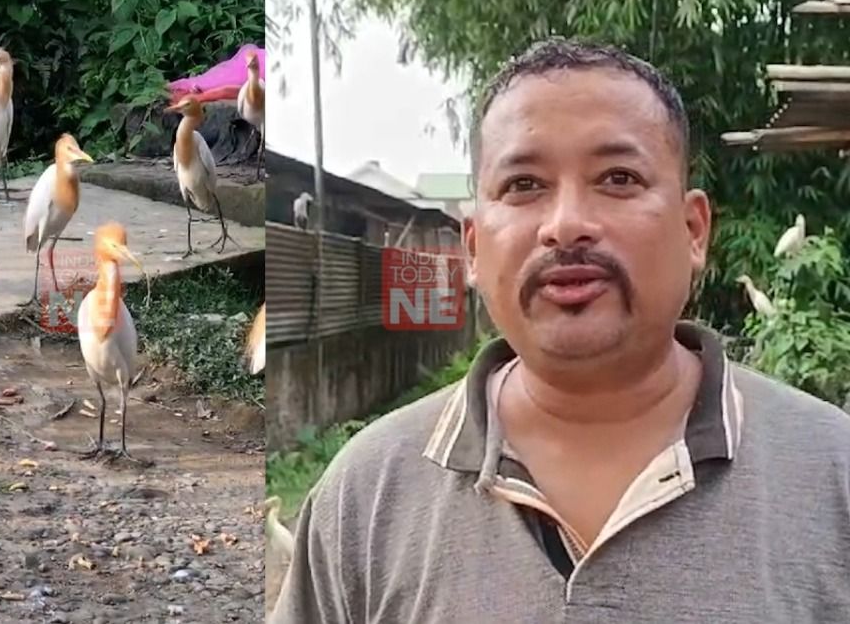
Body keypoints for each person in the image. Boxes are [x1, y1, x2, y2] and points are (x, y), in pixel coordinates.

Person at [269, 37, 850, 622]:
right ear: (473, 247)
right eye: (524, 185)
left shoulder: (833, 475)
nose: (567, 224)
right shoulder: (368, 494)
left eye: (618, 178)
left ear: (693, 230)